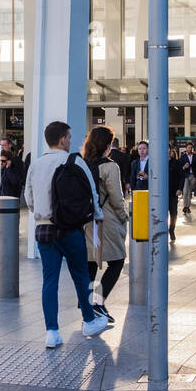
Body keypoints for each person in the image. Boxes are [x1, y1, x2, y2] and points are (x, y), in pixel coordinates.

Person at [24, 121, 109, 349]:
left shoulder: (36, 164)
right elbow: (92, 192)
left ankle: (51, 332)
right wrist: (97, 216)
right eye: (70, 137)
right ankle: (89, 321)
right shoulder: (75, 161)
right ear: (62, 139)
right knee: (80, 275)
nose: (71, 141)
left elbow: (29, 198)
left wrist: (42, 214)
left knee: (49, 280)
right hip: (71, 229)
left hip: (44, 229)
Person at [82, 127, 129, 325]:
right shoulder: (110, 167)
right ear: (107, 145)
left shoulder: (83, 164)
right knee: (117, 261)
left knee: (90, 263)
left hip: (86, 221)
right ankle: (98, 302)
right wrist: (124, 216)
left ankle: (89, 304)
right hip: (106, 219)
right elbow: (117, 199)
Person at [179, 142, 196, 215]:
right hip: (185, 175)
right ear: (186, 148)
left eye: (191, 147)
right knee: (185, 191)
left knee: (190, 192)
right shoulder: (183, 156)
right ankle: (185, 206)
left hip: (193, 175)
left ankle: (188, 206)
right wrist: (184, 167)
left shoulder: (195, 156)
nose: (189, 149)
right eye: (188, 147)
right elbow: (179, 167)